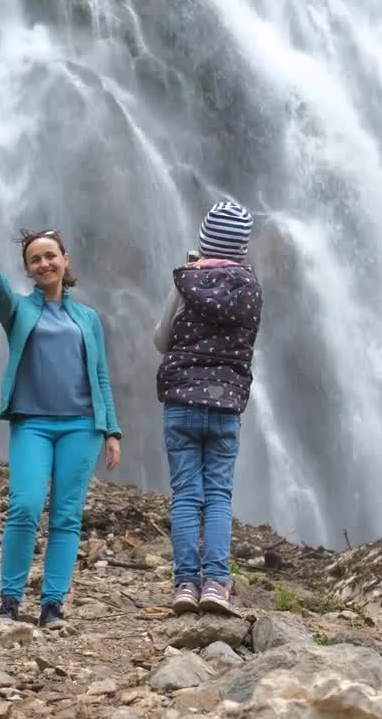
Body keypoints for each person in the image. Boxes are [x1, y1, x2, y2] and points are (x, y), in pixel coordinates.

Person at [0, 224, 123, 628]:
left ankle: (52, 604)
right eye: (35, 259)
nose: (44, 263)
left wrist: (112, 430)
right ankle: (9, 601)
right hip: (32, 424)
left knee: (67, 516)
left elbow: (101, 376)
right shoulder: (19, 310)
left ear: (65, 260)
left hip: (82, 427)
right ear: (28, 269)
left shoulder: (88, 318)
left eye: (50, 255)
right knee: (24, 506)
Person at [152, 200, 263, 615]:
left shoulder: (183, 284)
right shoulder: (250, 289)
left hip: (180, 402)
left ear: (202, 242)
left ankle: (185, 584)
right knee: (218, 495)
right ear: (241, 250)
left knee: (186, 494)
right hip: (226, 406)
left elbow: (161, 340)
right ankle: (216, 584)